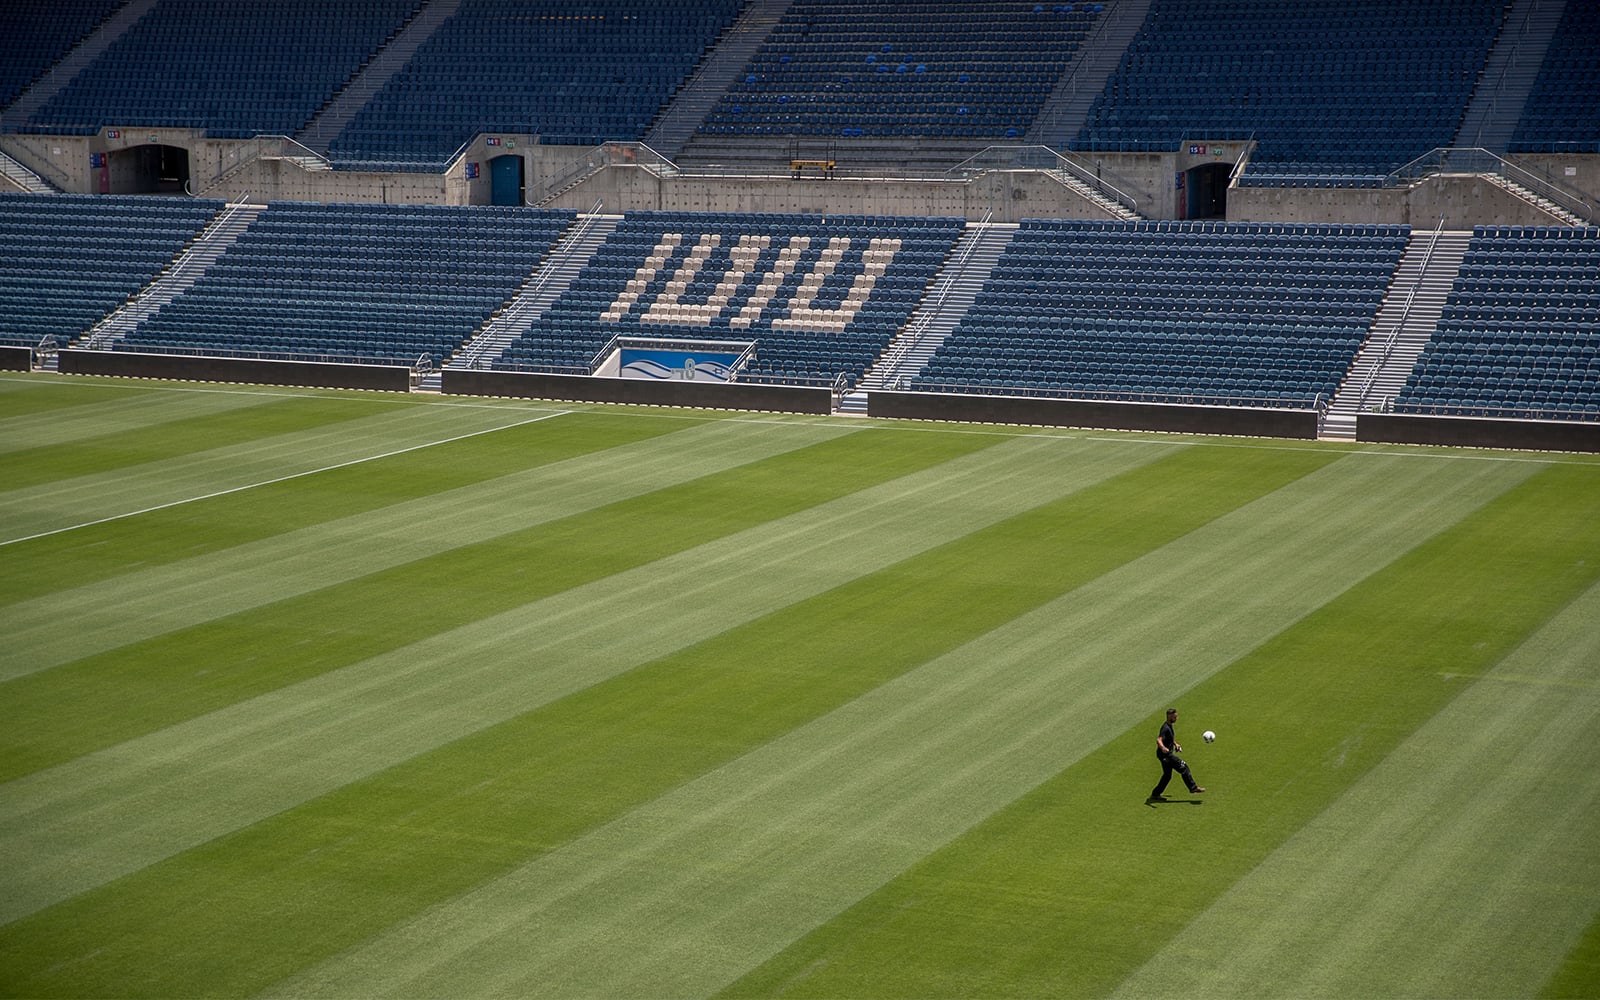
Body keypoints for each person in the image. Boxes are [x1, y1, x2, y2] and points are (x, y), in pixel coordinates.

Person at [1150, 708, 1204, 799]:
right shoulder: (1165, 727)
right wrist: (1163, 748)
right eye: (1175, 716)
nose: (1176, 718)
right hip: (1166, 755)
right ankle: (1193, 787)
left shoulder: (1169, 726)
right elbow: (1159, 739)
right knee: (1184, 767)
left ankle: (1155, 794)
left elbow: (1169, 738)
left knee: (1167, 776)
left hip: (1163, 755)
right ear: (1169, 716)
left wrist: (1176, 744)